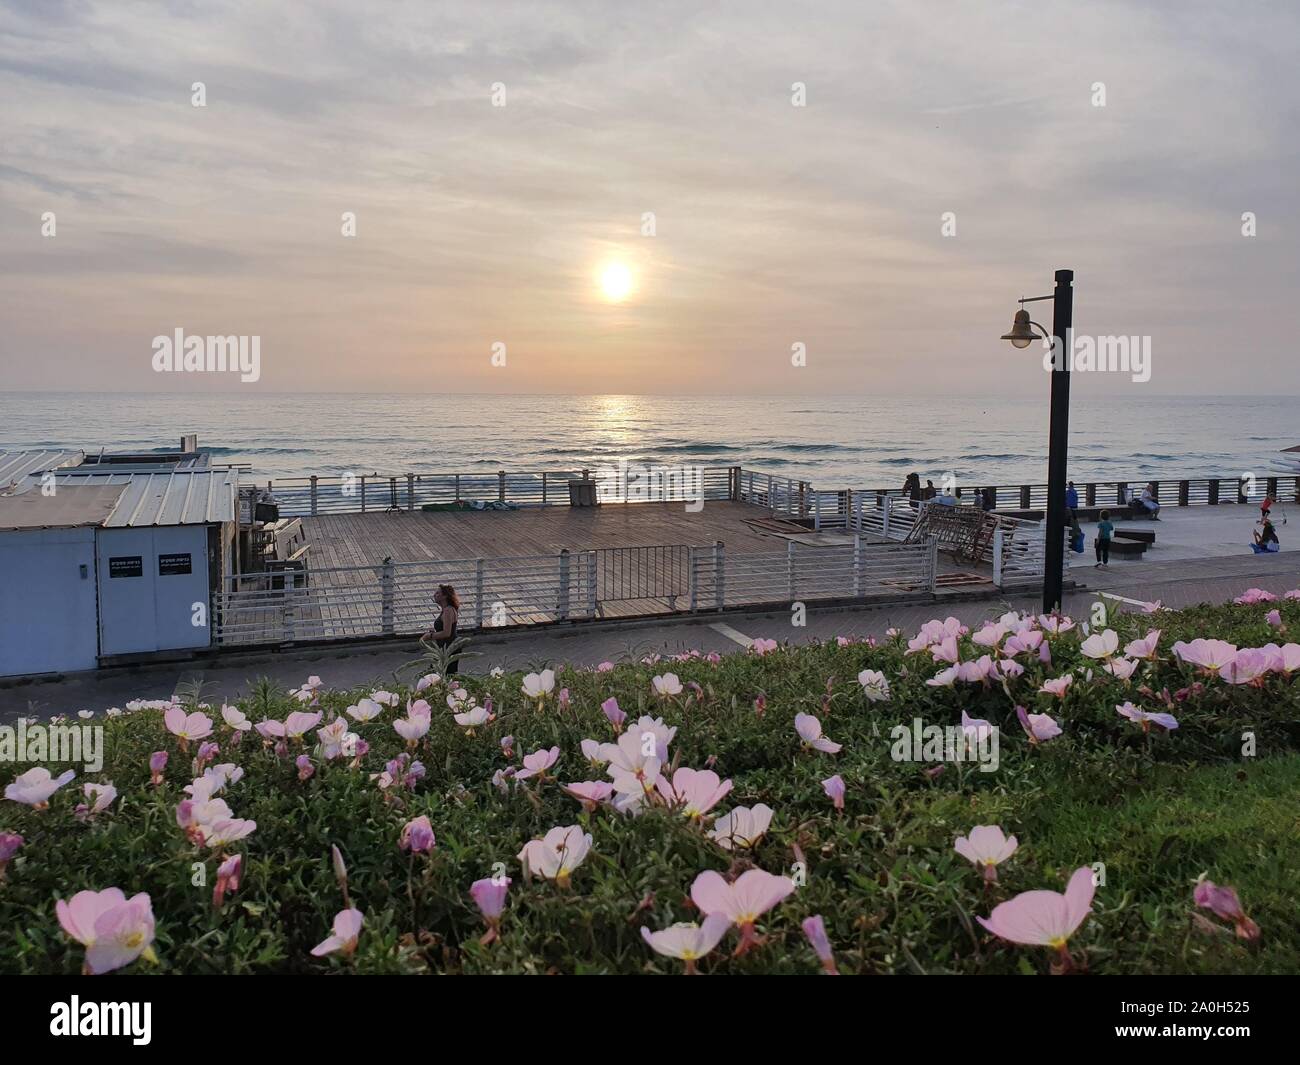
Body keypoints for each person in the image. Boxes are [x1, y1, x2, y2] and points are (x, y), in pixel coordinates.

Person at [423, 584, 462, 672]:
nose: (434, 595)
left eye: (437, 593)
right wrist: (435, 632)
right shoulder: (447, 609)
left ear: (445, 596)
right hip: (445, 648)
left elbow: (446, 633)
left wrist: (429, 636)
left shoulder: (448, 611)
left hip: (448, 648)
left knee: (441, 675)